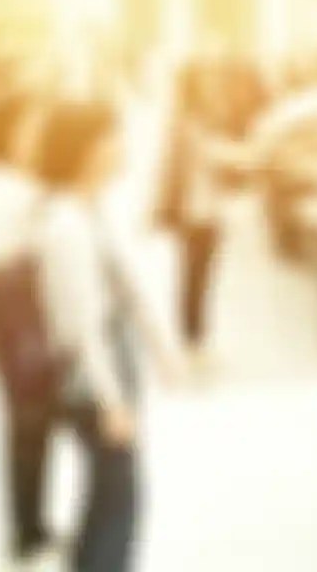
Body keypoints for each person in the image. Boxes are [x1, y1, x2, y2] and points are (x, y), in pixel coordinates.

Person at [35, 101, 185, 572]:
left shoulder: (90, 210)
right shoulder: (66, 224)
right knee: (119, 504)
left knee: (106, 497)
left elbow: (128, 284)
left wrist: (160, 347)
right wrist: (111, 400)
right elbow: (83, 328)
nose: (123, 147)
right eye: (112, 137)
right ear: (87, 150)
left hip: (106, 368)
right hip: (93, 378)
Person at [0, 92, 58, 570]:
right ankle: (26, 532)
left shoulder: (13, 183)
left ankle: (32, 525)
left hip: (17, 317)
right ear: (8, 135)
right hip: (17, 316)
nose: (37, 136)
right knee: (27, 423)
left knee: (30, 425)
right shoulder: (8, 187)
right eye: (29, 128)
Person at [156, 55, 264, 366]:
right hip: (194, 213)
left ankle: (197, 336)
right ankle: (192, 339)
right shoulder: (186, 123)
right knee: (193, 277)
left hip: (210, 211)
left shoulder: (204, 119)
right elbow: (204, 159)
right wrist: (248, 157)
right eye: (206, 81)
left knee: (202, 277)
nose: (213, 86)